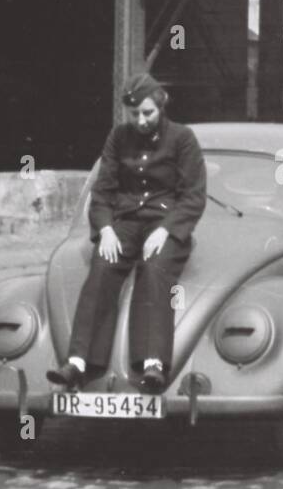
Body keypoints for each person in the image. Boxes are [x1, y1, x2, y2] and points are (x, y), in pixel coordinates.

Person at [47, 73, 206, 393]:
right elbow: (102, 191)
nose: (141, 120)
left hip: (165, 223)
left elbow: (193, 196)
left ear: (161, 106)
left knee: (155, 270)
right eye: (134, 115)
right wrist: (105, 230)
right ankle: (78, 362)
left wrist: (166, 231)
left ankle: (152, 365)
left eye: (147, 113)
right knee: (102, 268)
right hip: (125, 224)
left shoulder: (182, 138)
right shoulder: (118, 138)